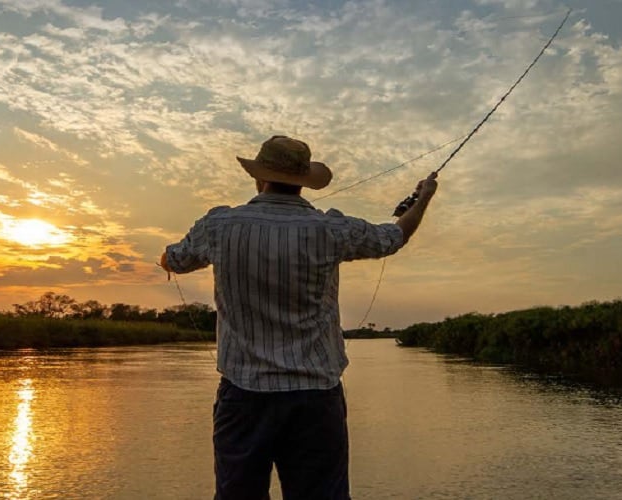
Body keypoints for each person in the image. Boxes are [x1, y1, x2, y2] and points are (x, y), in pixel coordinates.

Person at [159, 135, 438, 499]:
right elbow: (395, 236)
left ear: (260, 177)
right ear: (303, 181)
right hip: (316, 400)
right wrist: (423, 198)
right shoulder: (331, 230)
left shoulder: (218, 226)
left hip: (243, 398)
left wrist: (165, 260)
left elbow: (175, 260)